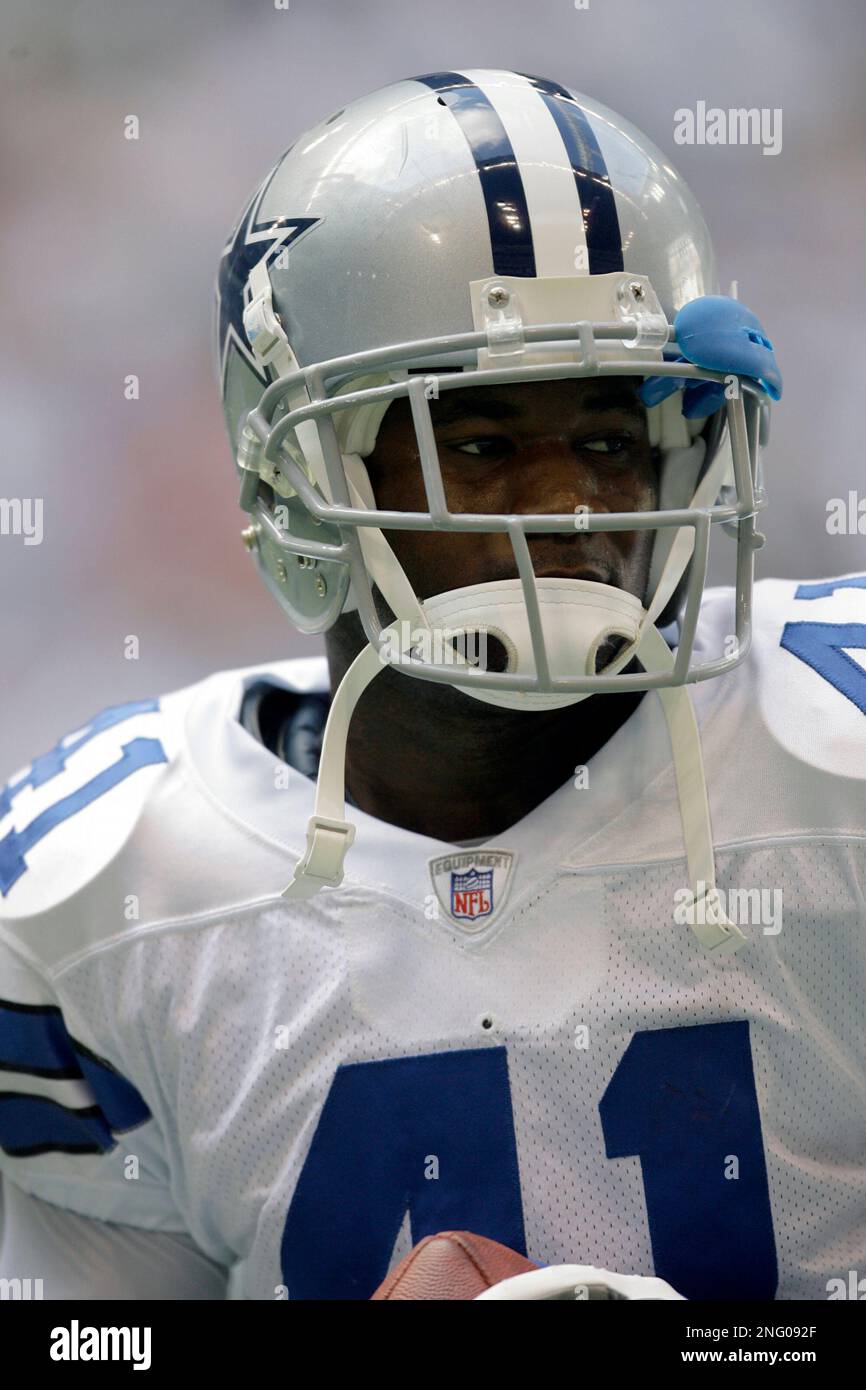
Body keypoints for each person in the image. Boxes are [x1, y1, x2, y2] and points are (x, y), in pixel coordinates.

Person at [1, 69, 863, 1302]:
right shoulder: (95, 896)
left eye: (612, 442)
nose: (570, 505)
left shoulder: (839, 755)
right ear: (298, 475)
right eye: (481, 443)